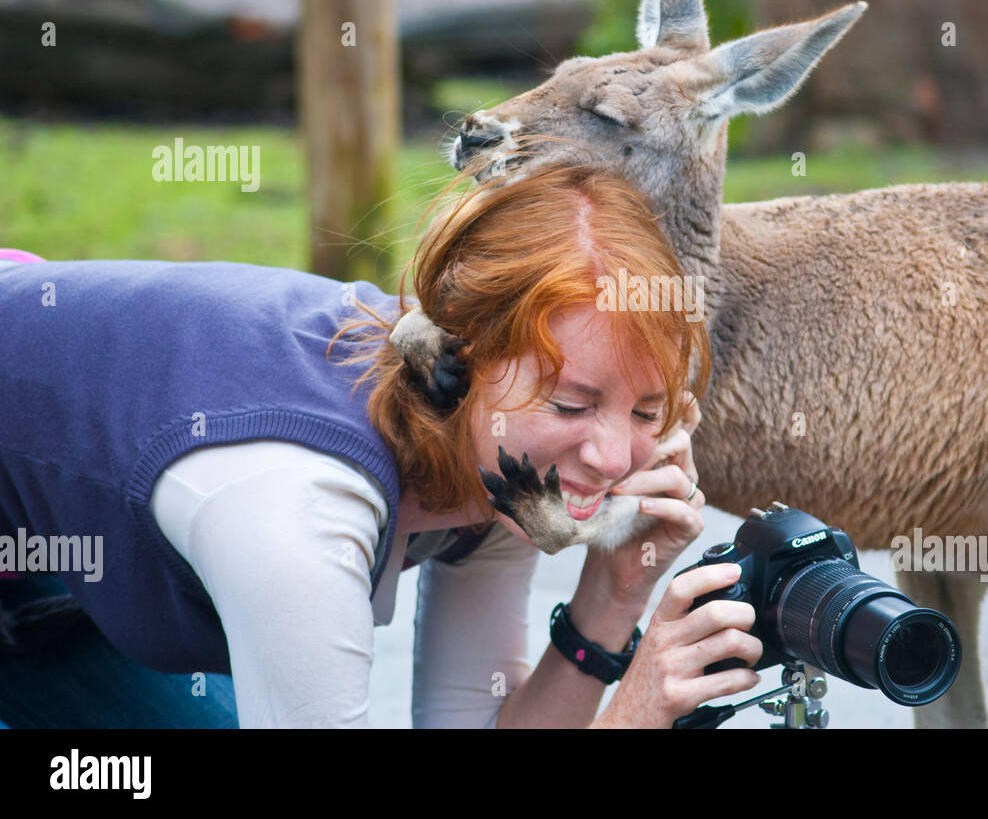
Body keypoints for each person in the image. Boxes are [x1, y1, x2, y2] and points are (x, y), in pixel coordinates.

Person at [0, 165, 764, 728]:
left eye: (647, 411)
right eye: (573, 402)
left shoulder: (505, 469)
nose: (609, 457)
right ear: (465, 357)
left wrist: (612, 600)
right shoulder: (296, 512)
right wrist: (630, 719)